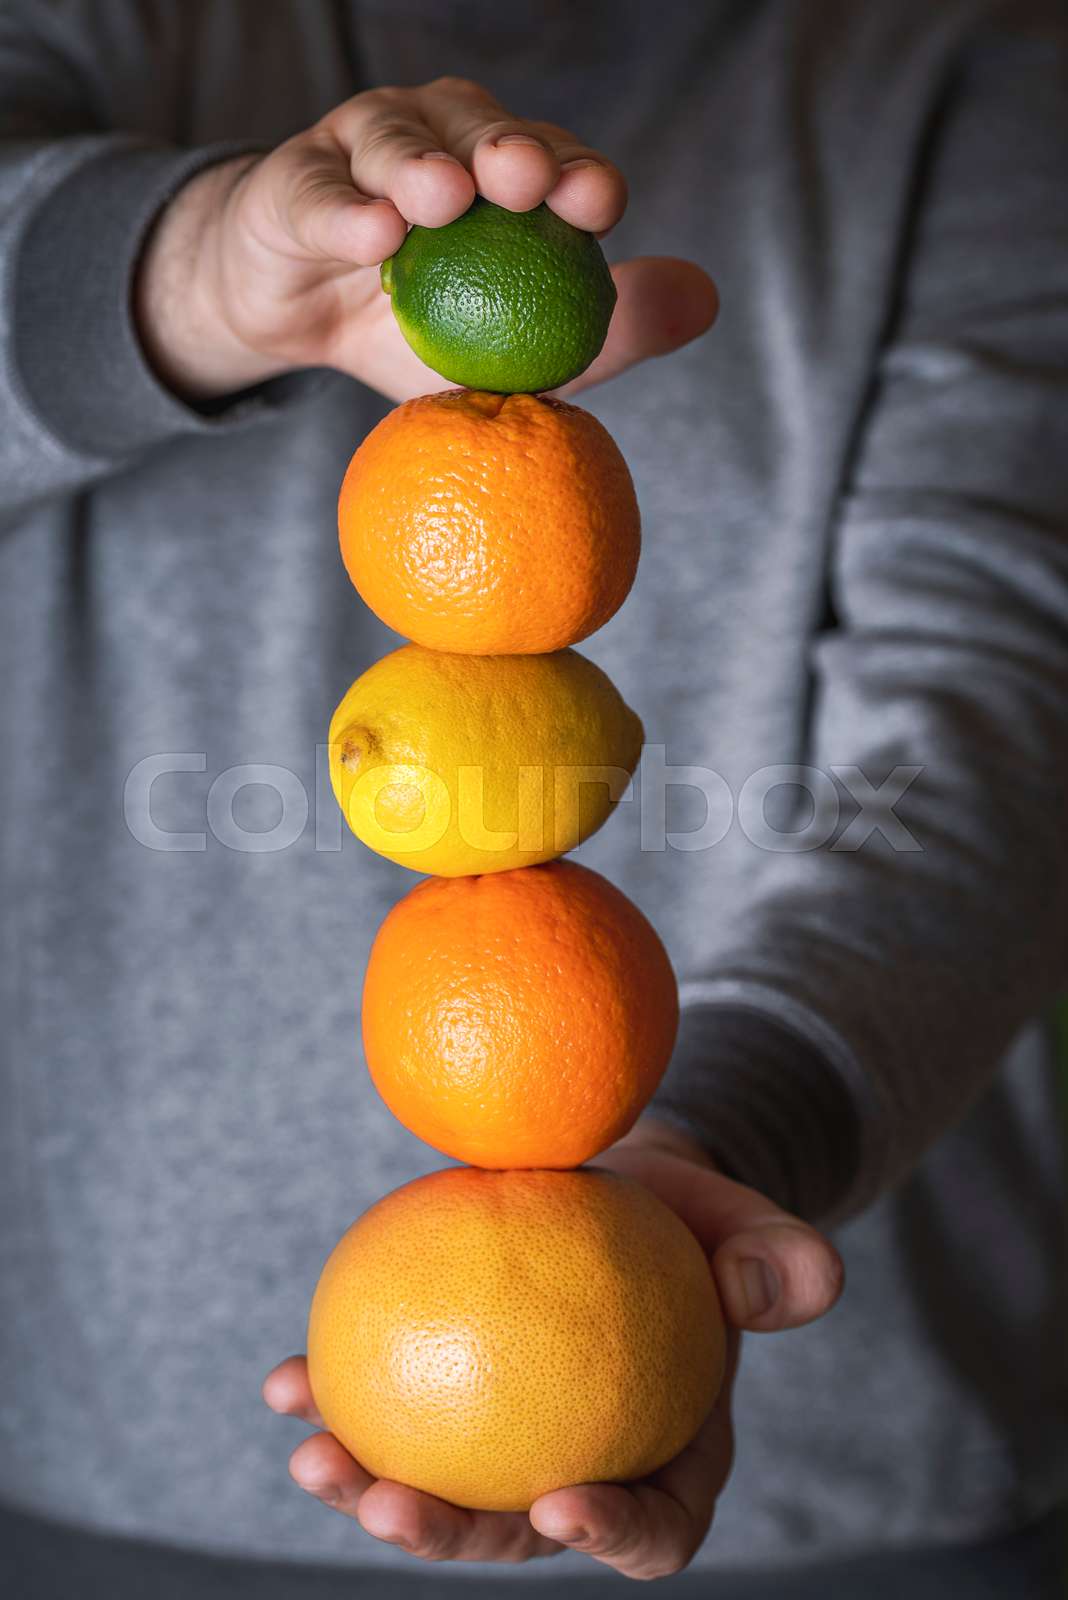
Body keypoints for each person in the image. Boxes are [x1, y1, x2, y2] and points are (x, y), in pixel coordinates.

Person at [2, 0, 1067, 1595]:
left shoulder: (968, 63)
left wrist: (715, 1164)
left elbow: (997, 714)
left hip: (841, 1458)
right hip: (100, 1433)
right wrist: (194, 280)